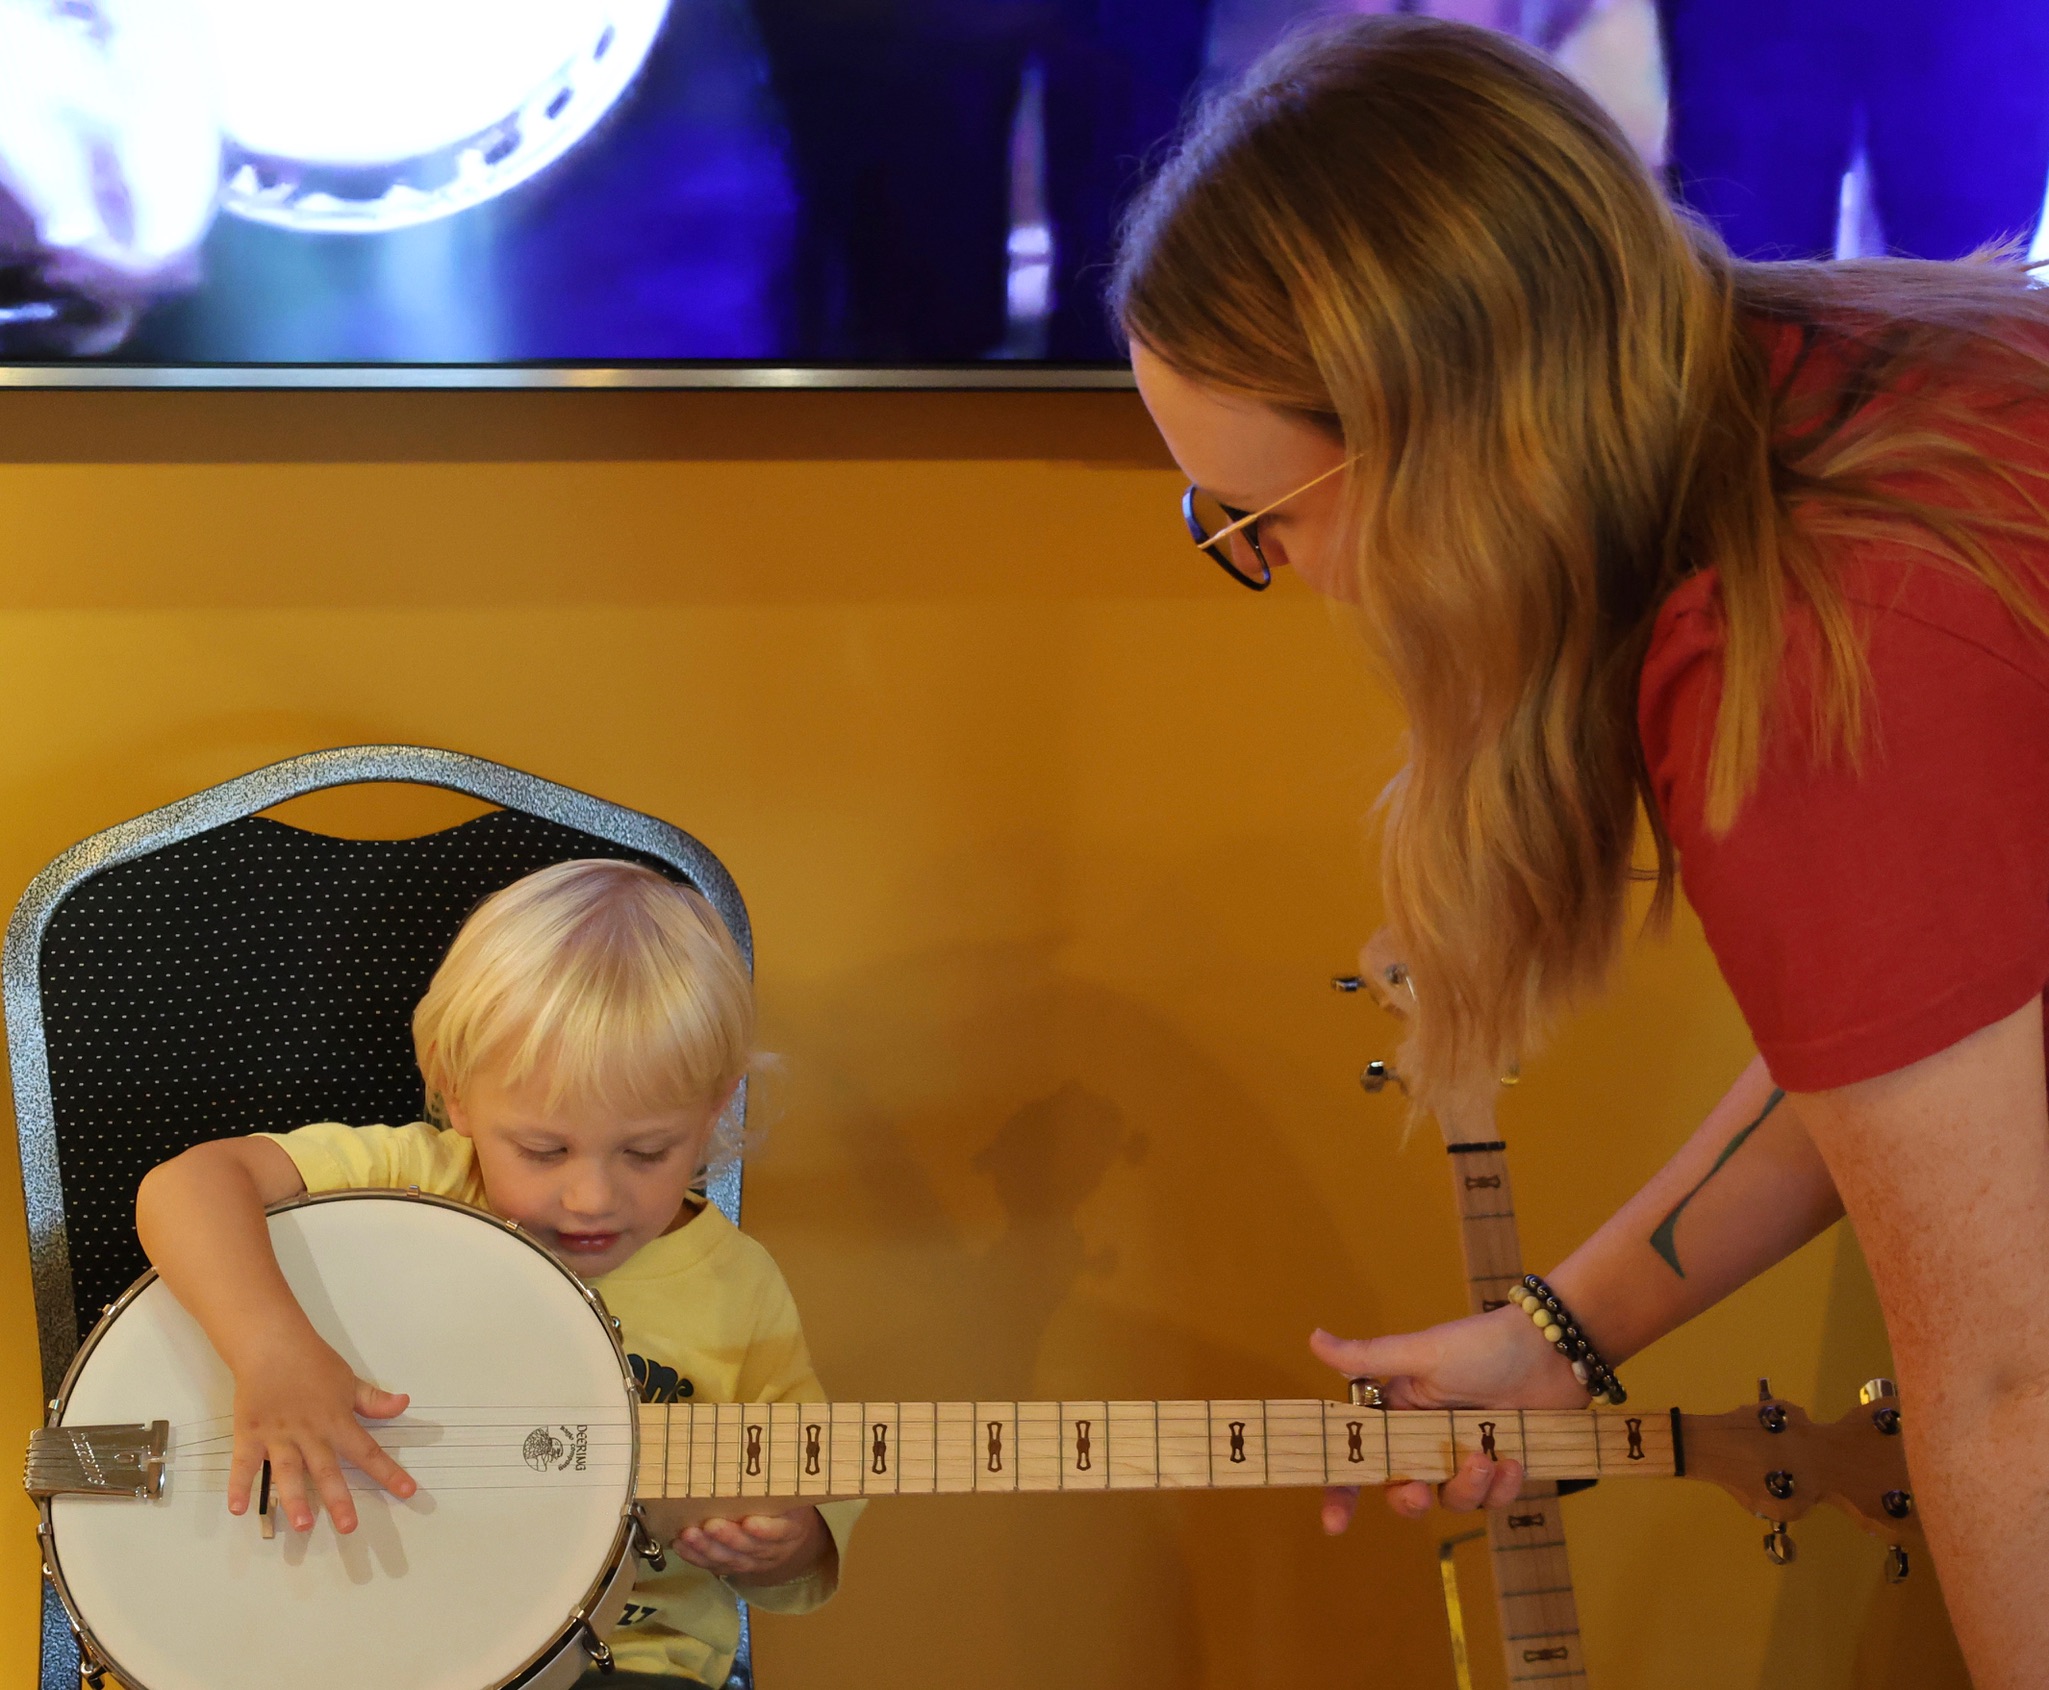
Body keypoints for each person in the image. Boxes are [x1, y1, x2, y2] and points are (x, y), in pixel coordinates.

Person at [1114, 17, 2049, 1686]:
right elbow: (1911, 1056)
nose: (1286, 578)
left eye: (1259, 524)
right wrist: (1562, 1332)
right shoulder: (1797, 361)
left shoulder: (1799, 653)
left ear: (1442, 459)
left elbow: (2004, 1388)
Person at [135, 858, 860, 1689]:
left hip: (627, 1662)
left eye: (646, 1152)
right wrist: (272, 1351)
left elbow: (812, 1486)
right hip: (373, 1638)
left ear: (714, 1109)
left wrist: (785, 1541)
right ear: (457, 1093)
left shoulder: (737, 1285)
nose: (592, 1197)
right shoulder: (409, 1180)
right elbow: (186, 1187)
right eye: (544, 1150)